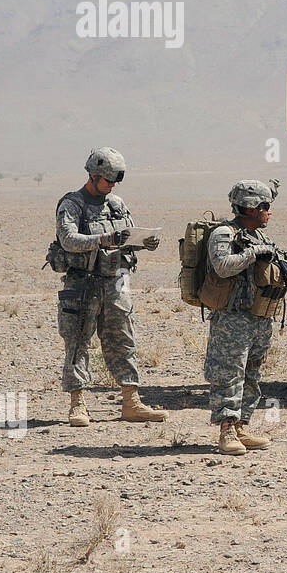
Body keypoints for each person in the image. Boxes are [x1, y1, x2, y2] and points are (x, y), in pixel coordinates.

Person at [52, 147, 167, 426]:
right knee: (78, 341)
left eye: (115, 181)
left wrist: (145, 241)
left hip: (116, 282)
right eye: (107, 180)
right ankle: (77, 405)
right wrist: (104, 239)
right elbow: (68, 239)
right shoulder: (72, 204)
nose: (112, 185)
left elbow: (128, 234)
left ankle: (131, 402)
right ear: (93, 175)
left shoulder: (116, 203)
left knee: (123, 340)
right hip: (83, 283)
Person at [203, 179, 287, 455]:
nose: (269, 212)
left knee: (252, 372)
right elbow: (222, 266)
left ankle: (241, 425)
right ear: (251, 208)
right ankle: (226, 430)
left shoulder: (260, 237)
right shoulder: (225, 234)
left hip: (259, 318)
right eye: (265, 206)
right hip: (233, 319)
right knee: (229, 373)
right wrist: (253, 254)